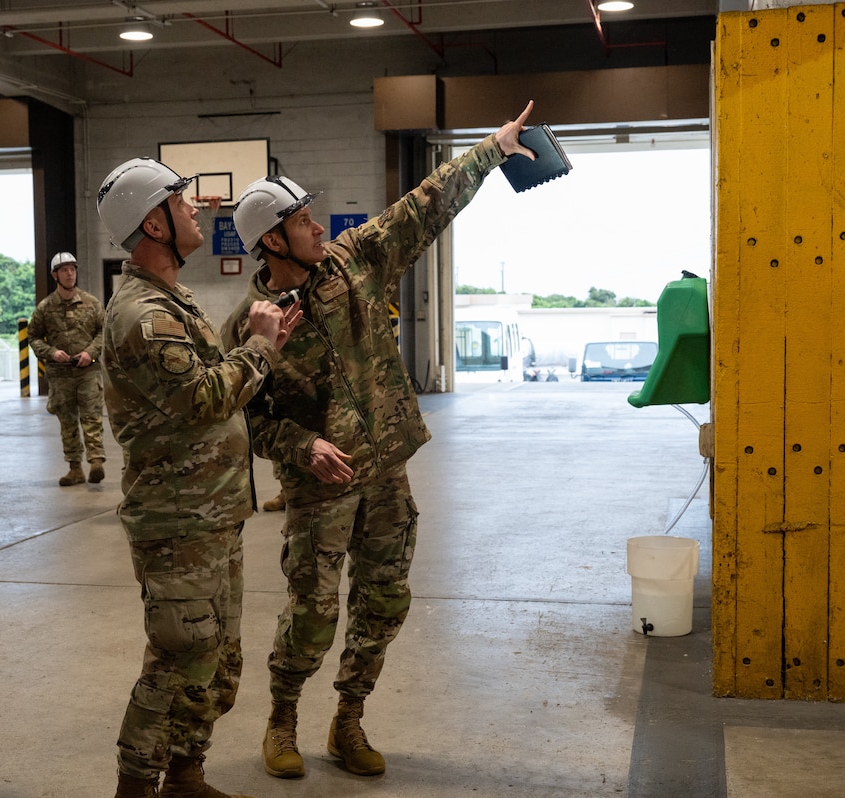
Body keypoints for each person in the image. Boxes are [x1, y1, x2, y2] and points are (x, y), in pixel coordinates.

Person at [221, 101, 537, 780]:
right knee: (313, 611)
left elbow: (424, 205)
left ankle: (350, 718)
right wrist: (302, 448)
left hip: (385, 472)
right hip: (318, 489)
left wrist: (492, 148)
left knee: (385, 599)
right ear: (271, 242)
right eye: (300, 222)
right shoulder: (252, 325)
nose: (315, 227)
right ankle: (282, 718)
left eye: (310, 217)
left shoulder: (355, 260)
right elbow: (247, 419)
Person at [96, 156, 299, 798]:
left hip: (213, 515)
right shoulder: (143, 316)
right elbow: (206, 399)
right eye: (182, 205)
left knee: (216, 662)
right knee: (178, 658)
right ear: (152, 224)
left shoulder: (174, 301)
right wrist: (261, 346)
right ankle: (135, 786)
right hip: (177, 521)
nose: (196, 210)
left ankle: (186, 775)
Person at [28, 251, 108, 486]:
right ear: (55, 275)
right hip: (60, 374)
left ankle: (96, 462)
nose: (70, 273)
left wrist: (90, 352)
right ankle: (74, 468)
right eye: (64, 270)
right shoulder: (45, 307)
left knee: (92, 417)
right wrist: (51, 352)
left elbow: (104, 332)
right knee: (67, 421)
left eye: (72, 269)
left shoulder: (91, 303)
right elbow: (33, 337)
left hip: (88, 372)